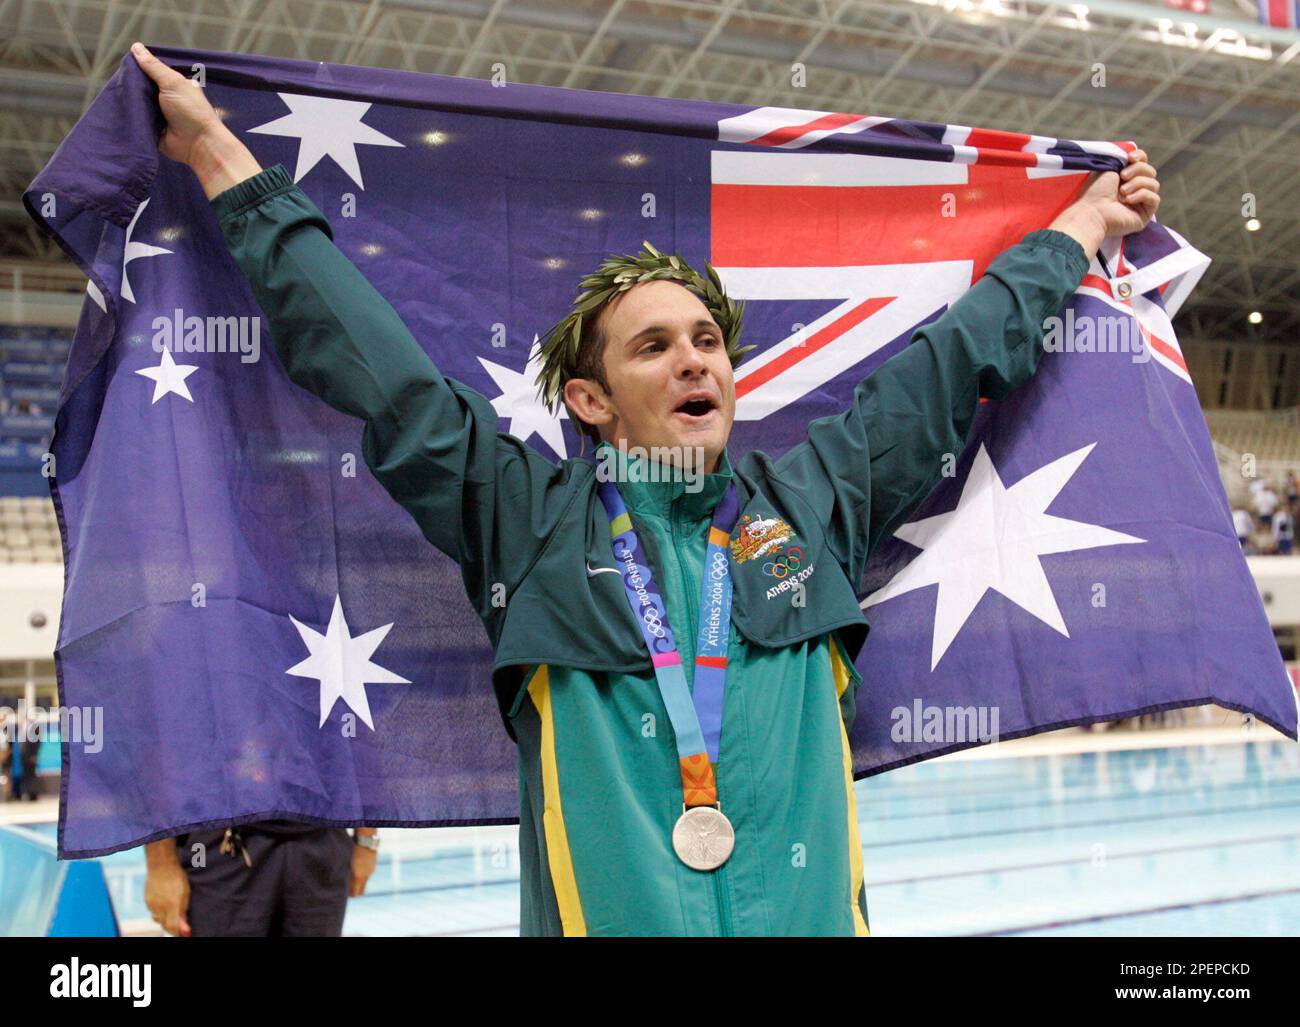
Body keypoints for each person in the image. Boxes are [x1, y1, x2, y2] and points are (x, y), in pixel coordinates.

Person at [131, 41, 1160, 936]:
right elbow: (381, 374)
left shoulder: (809, 505)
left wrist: (1078, 225)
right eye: (655, 345)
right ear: (589, 398)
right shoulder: (527, 521)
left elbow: (953, 365)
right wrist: (222, 158)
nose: (694, 362)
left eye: (708, 342)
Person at [143, 823, 379, 937]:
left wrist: (367, 840)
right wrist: (161, 864)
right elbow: (157, 746)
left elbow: (362, 740)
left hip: (322, 832)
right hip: (214, 841)